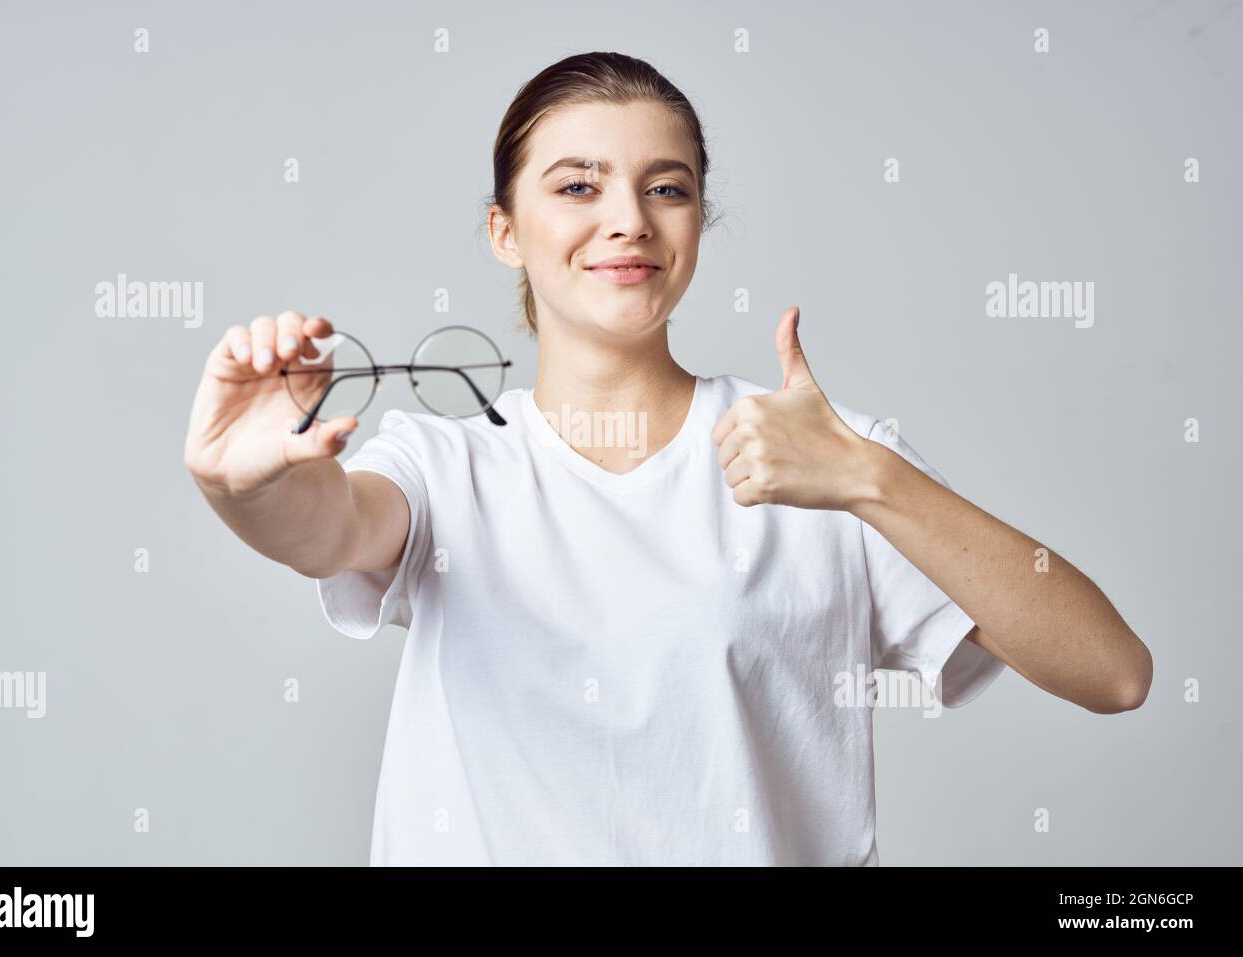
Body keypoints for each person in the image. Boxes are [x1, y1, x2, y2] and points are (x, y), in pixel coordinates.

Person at [182, 52, 1153, 866]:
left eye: (667, 187)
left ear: (696, 221)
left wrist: (872, 479)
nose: (629, 220)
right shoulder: (445, 463)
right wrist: (240, 481)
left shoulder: (820, 459)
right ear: (504, 232)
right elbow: (322, 528)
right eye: (576, 186)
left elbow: (1112, 674)